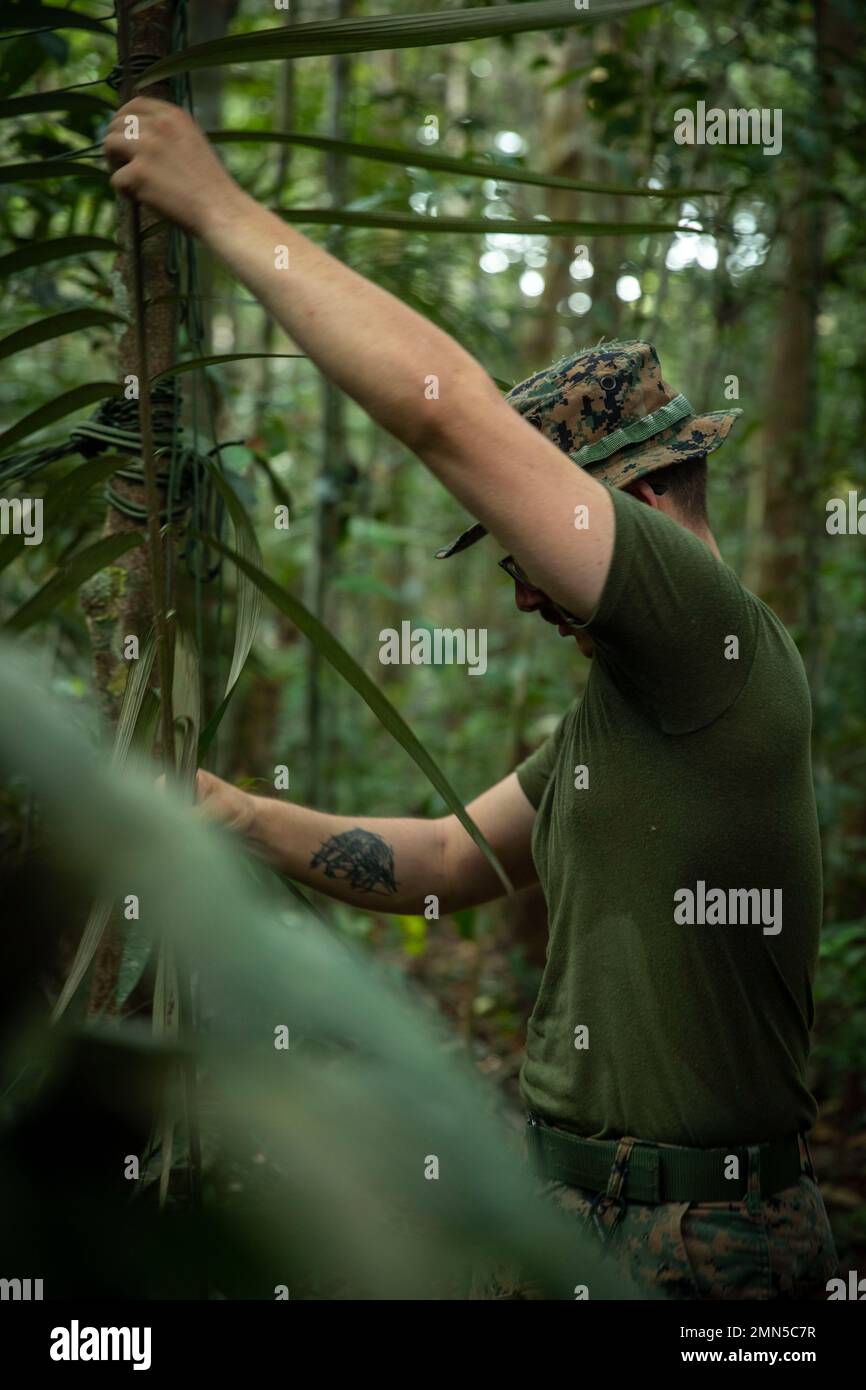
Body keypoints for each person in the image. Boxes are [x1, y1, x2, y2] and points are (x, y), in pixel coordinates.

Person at [104, 99, 839, 1300]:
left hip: (705, 1249)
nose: (524, 593)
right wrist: (228, 811)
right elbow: (448, 859)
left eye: (525, 557)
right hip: (569, 1217)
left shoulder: (705, 635)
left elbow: (443, 410)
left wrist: (216, 205)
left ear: (634, 510)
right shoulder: (631, 707)